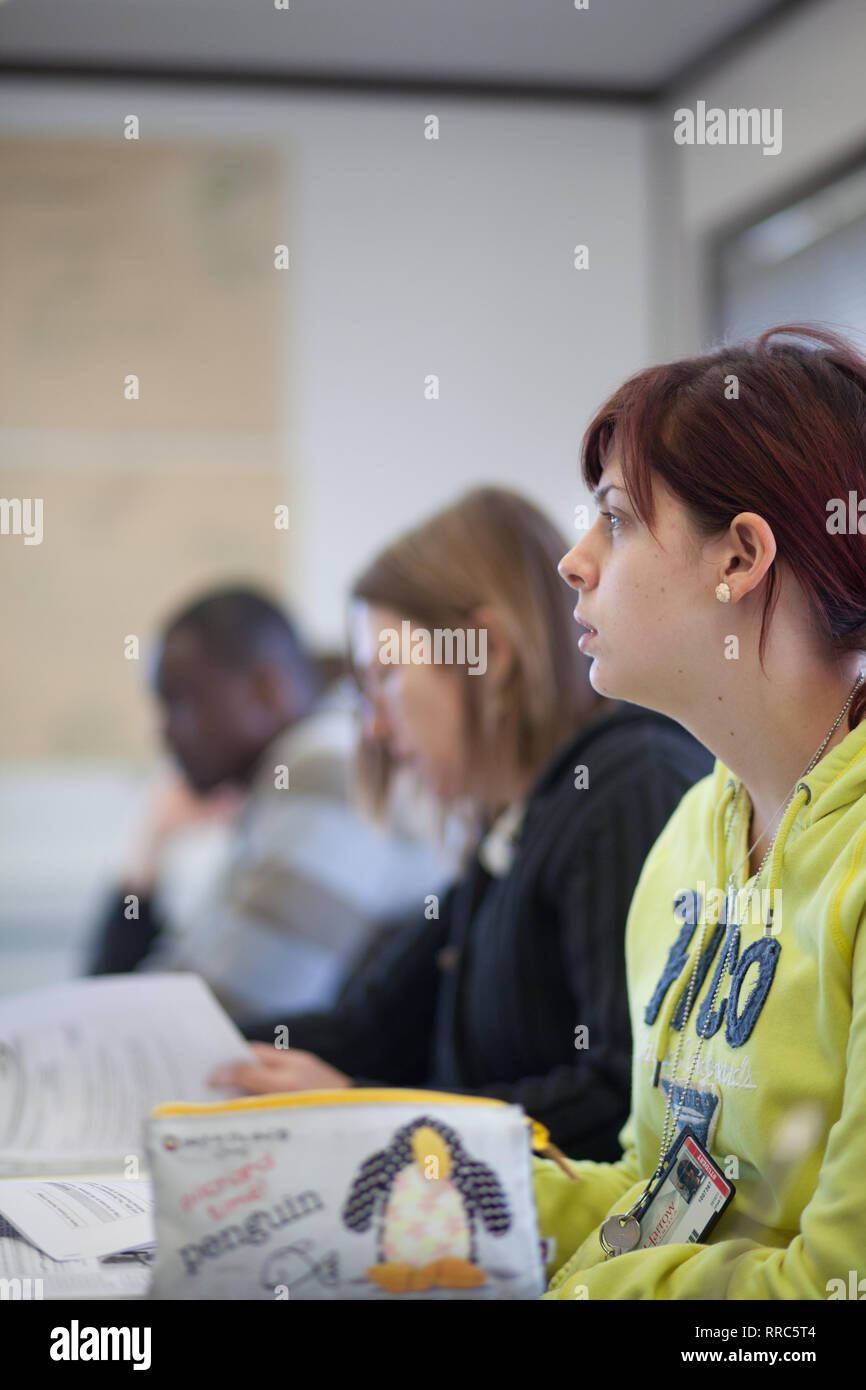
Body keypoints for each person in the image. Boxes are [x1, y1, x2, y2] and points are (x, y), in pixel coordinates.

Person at [211, 487, 713, 1159]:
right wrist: (195, 1044)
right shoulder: (515, 826)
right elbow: (367, 1029)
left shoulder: (626, 787)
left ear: (487, 652)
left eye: (386, 677)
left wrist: (366, 1116)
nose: (376, 728)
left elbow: (618, 1097)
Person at [536, 322, 866, 1298]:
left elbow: (832, 1292)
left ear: (739, 558)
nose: (572, 560)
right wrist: (448, 1184)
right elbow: (658, 1197)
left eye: (616, 519)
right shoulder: (688, 835)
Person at [85, 586, 451, 1018]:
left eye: (180, 703)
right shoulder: (292, 776)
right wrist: (144, 856)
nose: (164, 733)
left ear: (266, 690)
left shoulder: (324, 767)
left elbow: (225, 1016)